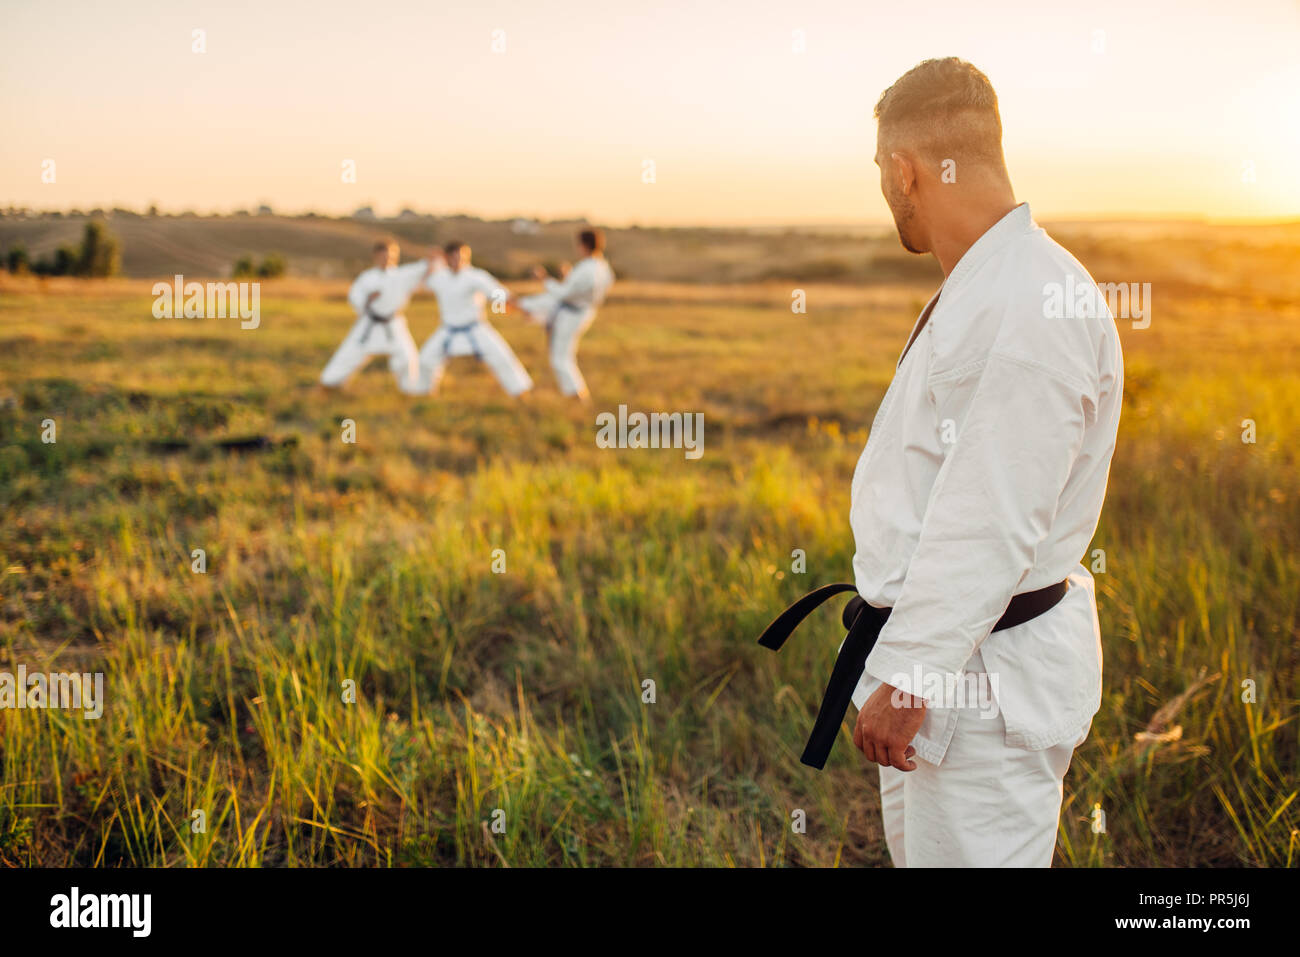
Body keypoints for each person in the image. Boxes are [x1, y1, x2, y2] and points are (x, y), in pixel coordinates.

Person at [844, 58, 1125, 867]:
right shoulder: (993, 283)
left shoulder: (1026, 300)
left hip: (978, 691)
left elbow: (993, 514)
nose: (885, 193)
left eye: (880, 174)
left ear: (907, 170)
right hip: (954, 677)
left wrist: (913, 674)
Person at [416, 242, 533, 398]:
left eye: (462, 257)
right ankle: (427, 393)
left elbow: (496, 293)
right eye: (454, 256)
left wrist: (515, 307)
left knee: (502, 358)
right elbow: (422, 282)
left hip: (475, 328)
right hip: (448, 329)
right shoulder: (439, 277)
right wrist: (431, 260)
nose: (458, 260)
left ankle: (521, 393)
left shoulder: (476, 276)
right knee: (426, 359)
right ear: (447, 257)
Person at [320, 240, 431, 394]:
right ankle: (331, 383)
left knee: (407, 358)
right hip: (369, 325)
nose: (387, 259)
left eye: (391, 256)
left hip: (393, 324)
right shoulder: (367, 277)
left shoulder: (402, 275)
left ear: (396, 256)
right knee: (347, 355)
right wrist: (368, 299)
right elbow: (354, 297)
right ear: (376, 256)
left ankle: (410, 390)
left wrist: (434, 257)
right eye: (384, 256)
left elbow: (423, 267)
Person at [518, 228, 614, 400]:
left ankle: (577, 396)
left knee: (560, 358)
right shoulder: (603, 267)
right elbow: (578, 289)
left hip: (572, 312)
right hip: (584, 311)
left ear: (583, 245)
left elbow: (563, 294)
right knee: (563, 355)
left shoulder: (586, 268)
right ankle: (576, 394)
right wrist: (568, 276)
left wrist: (544, 278)